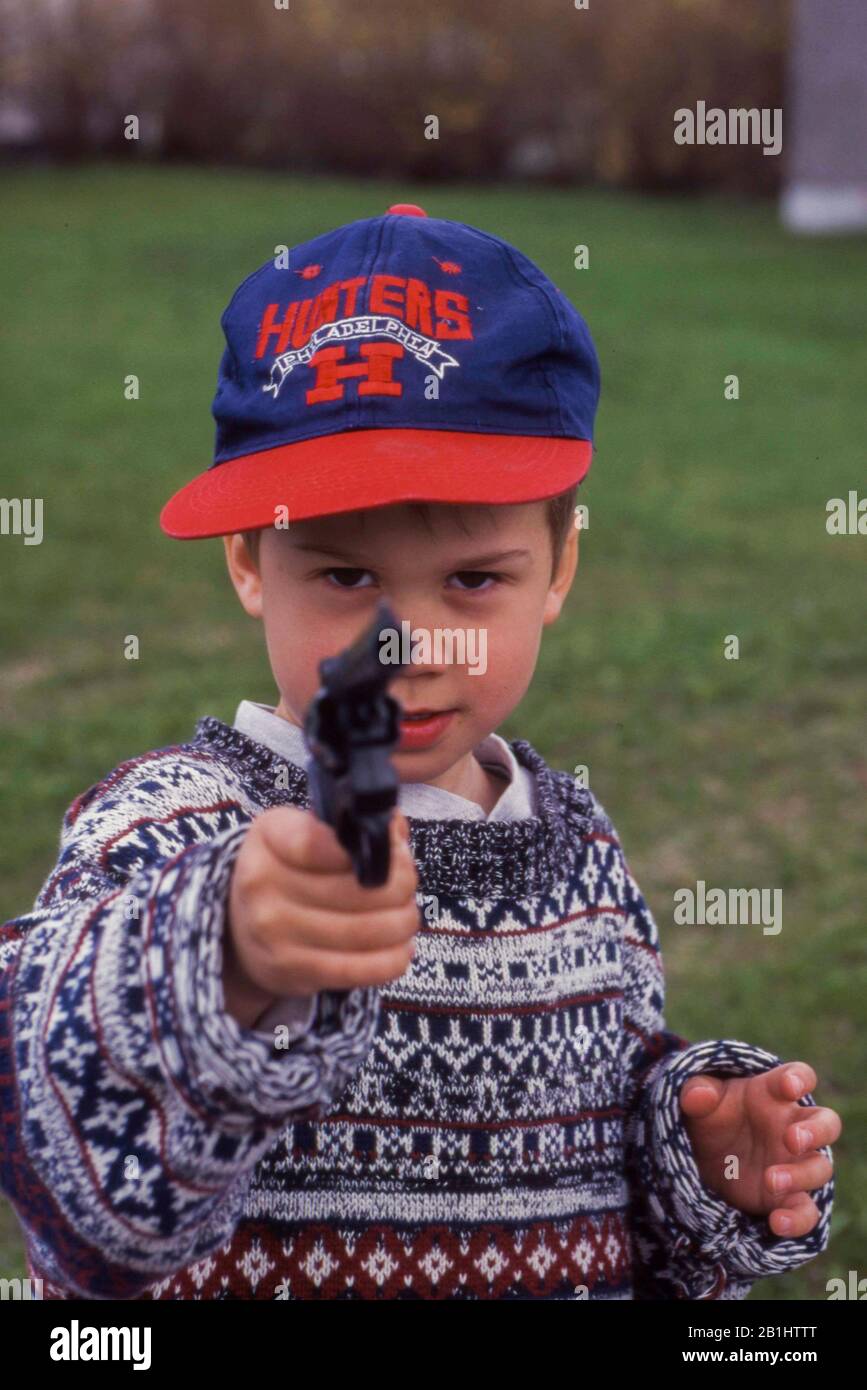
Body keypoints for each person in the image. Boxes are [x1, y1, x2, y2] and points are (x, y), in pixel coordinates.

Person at [0, 204, 839, 1300]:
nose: (408, 647)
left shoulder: (578, 847)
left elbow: (597, 1167)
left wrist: (701, 1159)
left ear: (560, 568)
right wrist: (221, 957)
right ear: (250, 561)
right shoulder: (176, 825)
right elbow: (48, 1120)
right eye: (347, 578)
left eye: (473, 581)